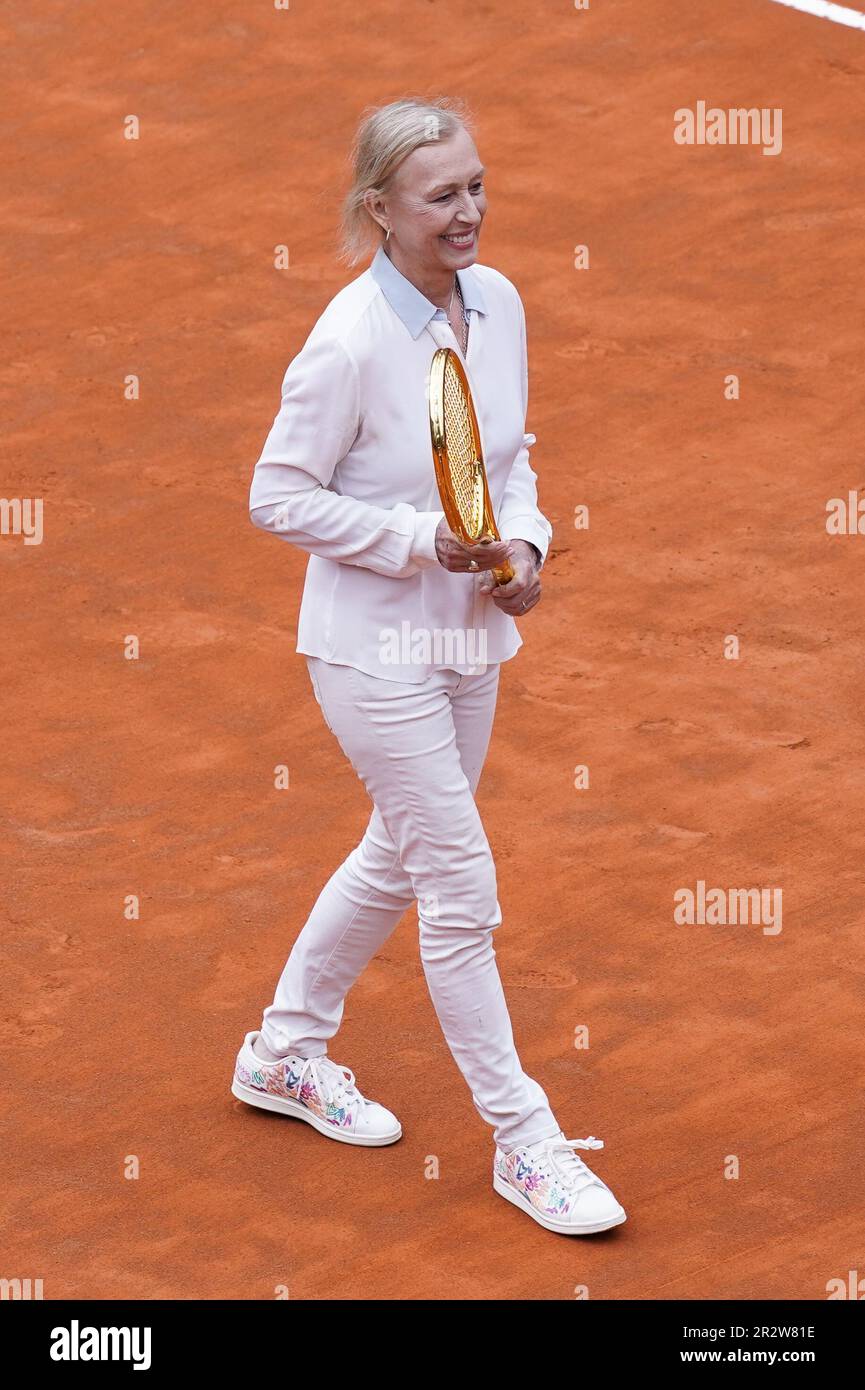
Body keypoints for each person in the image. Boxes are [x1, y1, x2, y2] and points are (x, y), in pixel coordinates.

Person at [231, 96, 626, 1236]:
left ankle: (283, 1052)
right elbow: (274, 494)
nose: (470, 210)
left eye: (477, 185)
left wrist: (527, 548)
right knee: (459, 884)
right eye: (443, 194)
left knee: (399, 859)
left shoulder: (495, 302)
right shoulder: (348, 341)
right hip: (371, 650)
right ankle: (525, 1140)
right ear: (380, 211)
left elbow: (511, 459)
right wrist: (414, 541)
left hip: (465, 631)